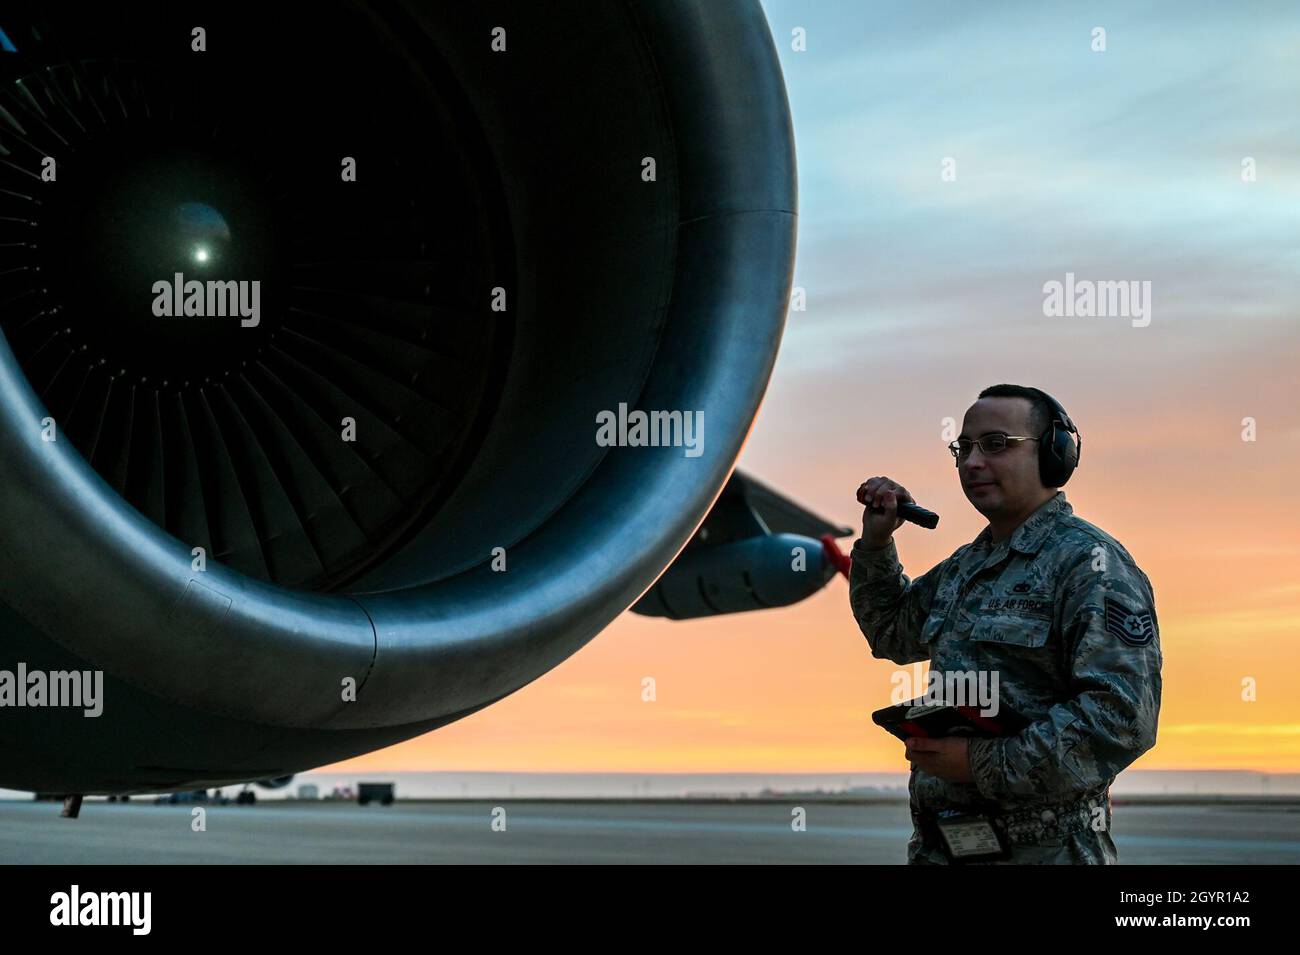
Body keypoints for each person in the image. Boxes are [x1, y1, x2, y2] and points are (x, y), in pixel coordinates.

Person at [849, 384, 1161, 864]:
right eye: (964, 447)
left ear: (1054, 456)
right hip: (947, 847)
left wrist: (980, 763)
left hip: (1046, 853)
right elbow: (891, 632)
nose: (972, 462)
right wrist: (875, 546)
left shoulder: (1090, 564)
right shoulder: (966, 566)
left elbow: (1120, 719)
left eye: (995, 444)